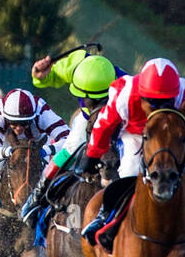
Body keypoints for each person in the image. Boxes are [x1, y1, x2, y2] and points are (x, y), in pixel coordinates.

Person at [79, 57, 185, 246]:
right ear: (141, 93)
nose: (158, 107)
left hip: (173, 137)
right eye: (152, 101)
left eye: (165, 101)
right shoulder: (126, 93)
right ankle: (105, 215)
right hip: (136, 134)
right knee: (129, 171)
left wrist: (184, 157)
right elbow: (103, 125)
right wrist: (92, 154)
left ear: (175, 93)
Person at [20, 49, 124, 228]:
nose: (94, 105)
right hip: (86, 121)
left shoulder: (127, 85)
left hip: (120, 118)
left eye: (101, 100)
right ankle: (37, 196)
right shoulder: (77, 63)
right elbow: (50, 75)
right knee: (67, 151)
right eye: (89, 100)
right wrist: (40, 75)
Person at [0, 88, 69, 174]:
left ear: (33, 116)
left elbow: (69, 139)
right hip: (7, 145)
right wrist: (9, 151)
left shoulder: (42, 111)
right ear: (6, 117)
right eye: (14, 123)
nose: (19, 128)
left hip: (38, 145)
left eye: (24, 123)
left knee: (46, 173)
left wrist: (45, 151)